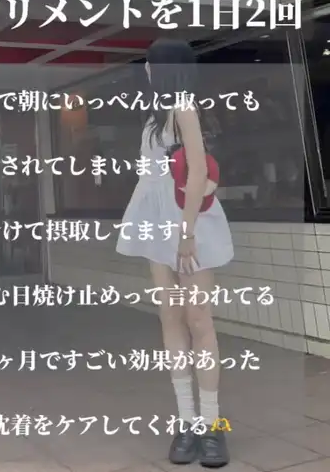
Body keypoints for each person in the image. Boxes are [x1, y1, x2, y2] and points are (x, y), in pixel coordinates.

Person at [116, 38, 233, 468]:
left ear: (163, 68)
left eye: (150, 64)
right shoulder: (156, 114)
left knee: (198, 319)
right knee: (170, 317)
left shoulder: (184, 107)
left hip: (187, 224)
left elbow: (197, 170)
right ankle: (187, 422)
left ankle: (212, 425)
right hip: (157, 223)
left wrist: (186, 233)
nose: (146, 70)